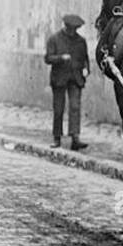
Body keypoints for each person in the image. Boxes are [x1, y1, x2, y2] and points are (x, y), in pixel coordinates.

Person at [44, 13, 91, 151]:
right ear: (66, 27)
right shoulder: (54, 39)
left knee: (75, 108)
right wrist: (60, 58)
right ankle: (57, 138)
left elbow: (85, 59)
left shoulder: (81, 41)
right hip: (59, 78)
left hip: (76, 78)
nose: (73, 32)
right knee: (58, 109)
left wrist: (86, 70)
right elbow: (47, 58)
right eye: (72, 28)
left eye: (76, 29)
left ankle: (75, 138)